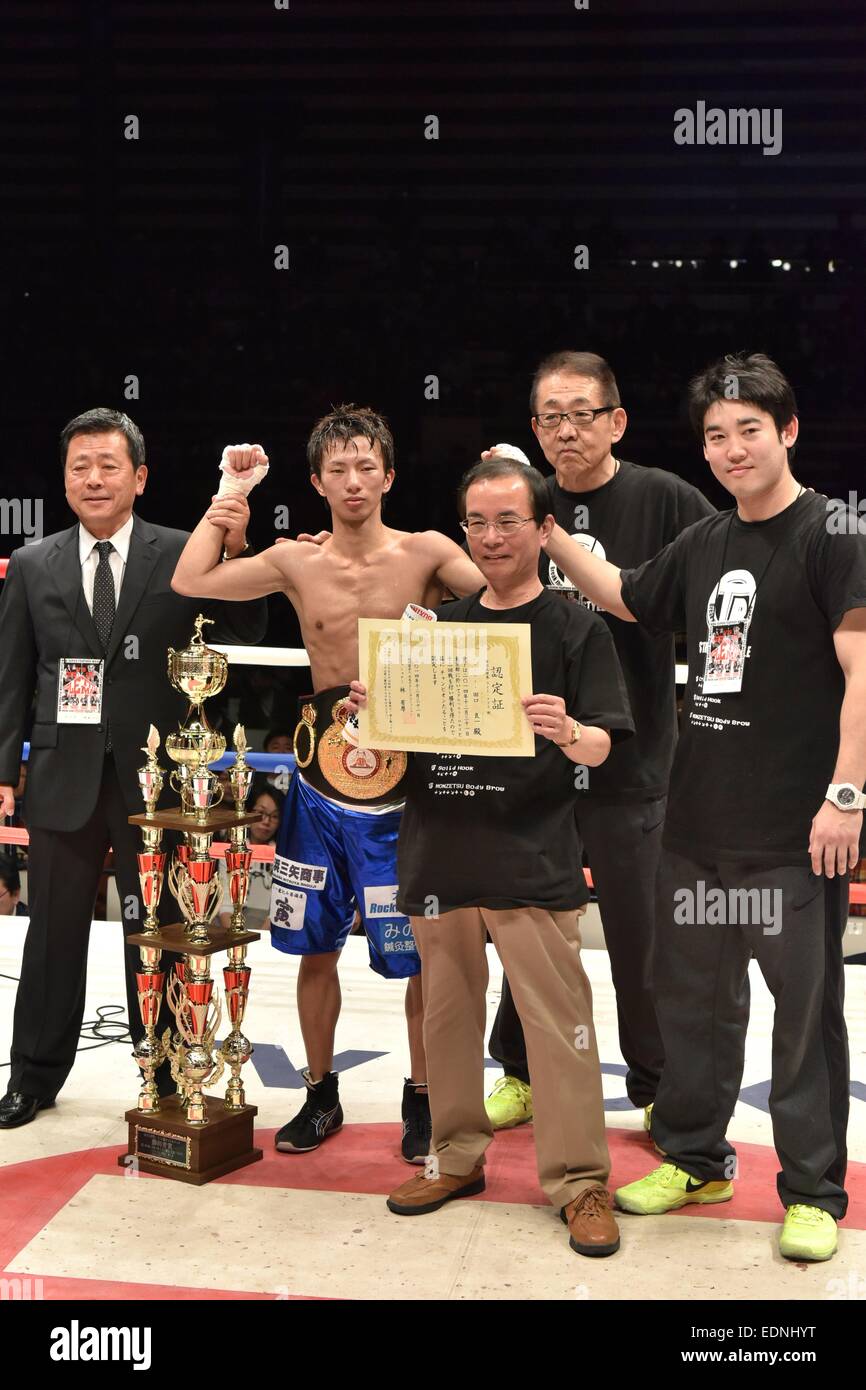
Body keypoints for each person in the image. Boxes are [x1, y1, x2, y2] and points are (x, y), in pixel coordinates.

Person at [539, 353, 866, 1263]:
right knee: (692, 1007)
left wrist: (846, 797)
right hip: (695, 829)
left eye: (747, 430)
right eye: (715, 436)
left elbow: (863, 675)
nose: (729, 450)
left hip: (795, 835)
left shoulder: (834, 532)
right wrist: (551, 532)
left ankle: (811, 1190)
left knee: (803, 1017)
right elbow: (626, 597)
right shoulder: (706, 541)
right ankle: (693, 1154)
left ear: (788, 430)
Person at [171, 404, 487, 1162]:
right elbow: (192, 577)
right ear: (316, 480)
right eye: (337, 468)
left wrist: (431, 639)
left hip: (409, 780)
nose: (353, 480)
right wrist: (230, 491)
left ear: (389, 475)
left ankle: (421, 1097)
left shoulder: (428, 551)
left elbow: (512, 609)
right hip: (316, 778)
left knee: (421, 952)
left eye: (366, 466)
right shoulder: (294, 560)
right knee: (315, 948)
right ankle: (320, 1093)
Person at [349, 456, 634, 1254]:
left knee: (559, 1029)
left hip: (532, 856)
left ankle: (580, 1182)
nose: (493, 536)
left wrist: (570, 732)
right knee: (445, 1023)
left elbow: (609, 743)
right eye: (477, 522)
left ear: (546, 529)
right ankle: (455, 1157)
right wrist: (374, 710)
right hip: (440, 853)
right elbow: (393, 749)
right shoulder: (436, 626)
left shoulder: (578, 626)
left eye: (510, 520)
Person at [0, 407, 267, 1129]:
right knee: (51, 931)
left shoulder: (184, 552)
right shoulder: (31, 565)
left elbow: (249, 625)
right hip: (62, 771)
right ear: (63, 478)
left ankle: (171, 1072)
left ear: (140, 477)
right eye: (79, 466)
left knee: (163, 927)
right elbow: (12, 678)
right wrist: (3, 771)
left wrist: (235, 535)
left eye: (108, 465)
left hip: (163, 781)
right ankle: (33, 1076)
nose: (93, 478)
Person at [483, 351, 716, 1135]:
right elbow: (469, 585)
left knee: (639, 943)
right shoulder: (517, 501)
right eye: (551, 416)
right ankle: (516, 1070)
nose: (567, 430)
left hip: (636, 755)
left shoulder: (665, 499)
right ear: (534, 429)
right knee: (528, 923)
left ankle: (654, 1088)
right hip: (532, 761)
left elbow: (715, 593)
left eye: (583, 413)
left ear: (616, 420)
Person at [217, 786, 283, 932]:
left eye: (274, 816)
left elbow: (279, 906)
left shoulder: (282, 855)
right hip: (231, 929)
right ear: (247, 812)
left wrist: (261, 938)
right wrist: (235, 936)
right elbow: (225, 904)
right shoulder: (231, 850)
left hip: (269, 932)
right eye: (260, 813)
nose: (266, 821)